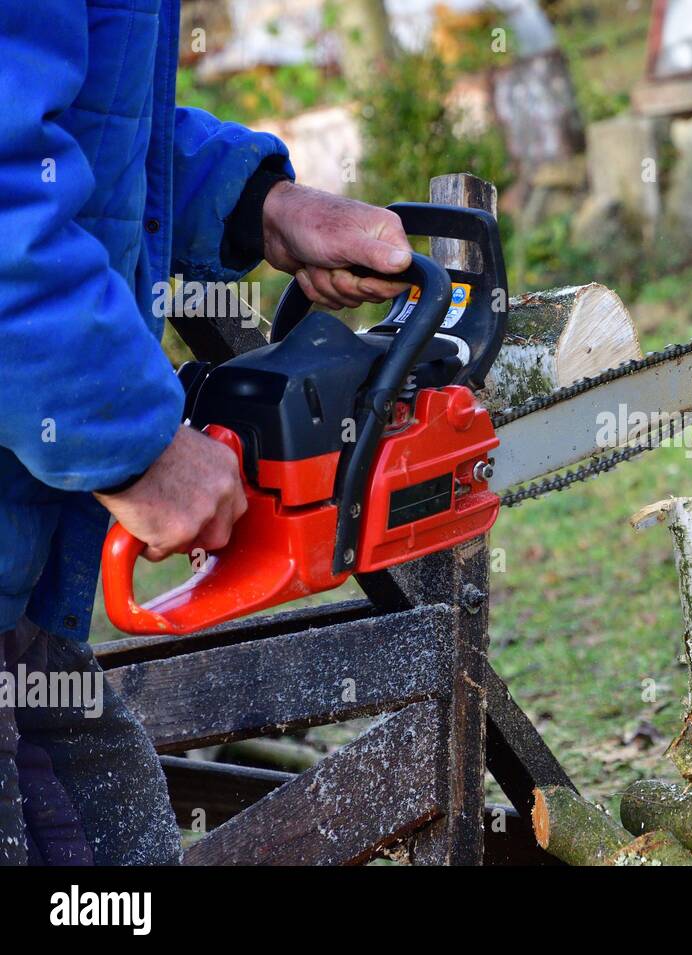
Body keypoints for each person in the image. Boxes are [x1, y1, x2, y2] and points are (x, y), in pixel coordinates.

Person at [0, 2, 415, 864]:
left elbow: (79, 129)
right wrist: (131, 442)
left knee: (101, 817)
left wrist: (255, 204)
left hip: (23, 600)